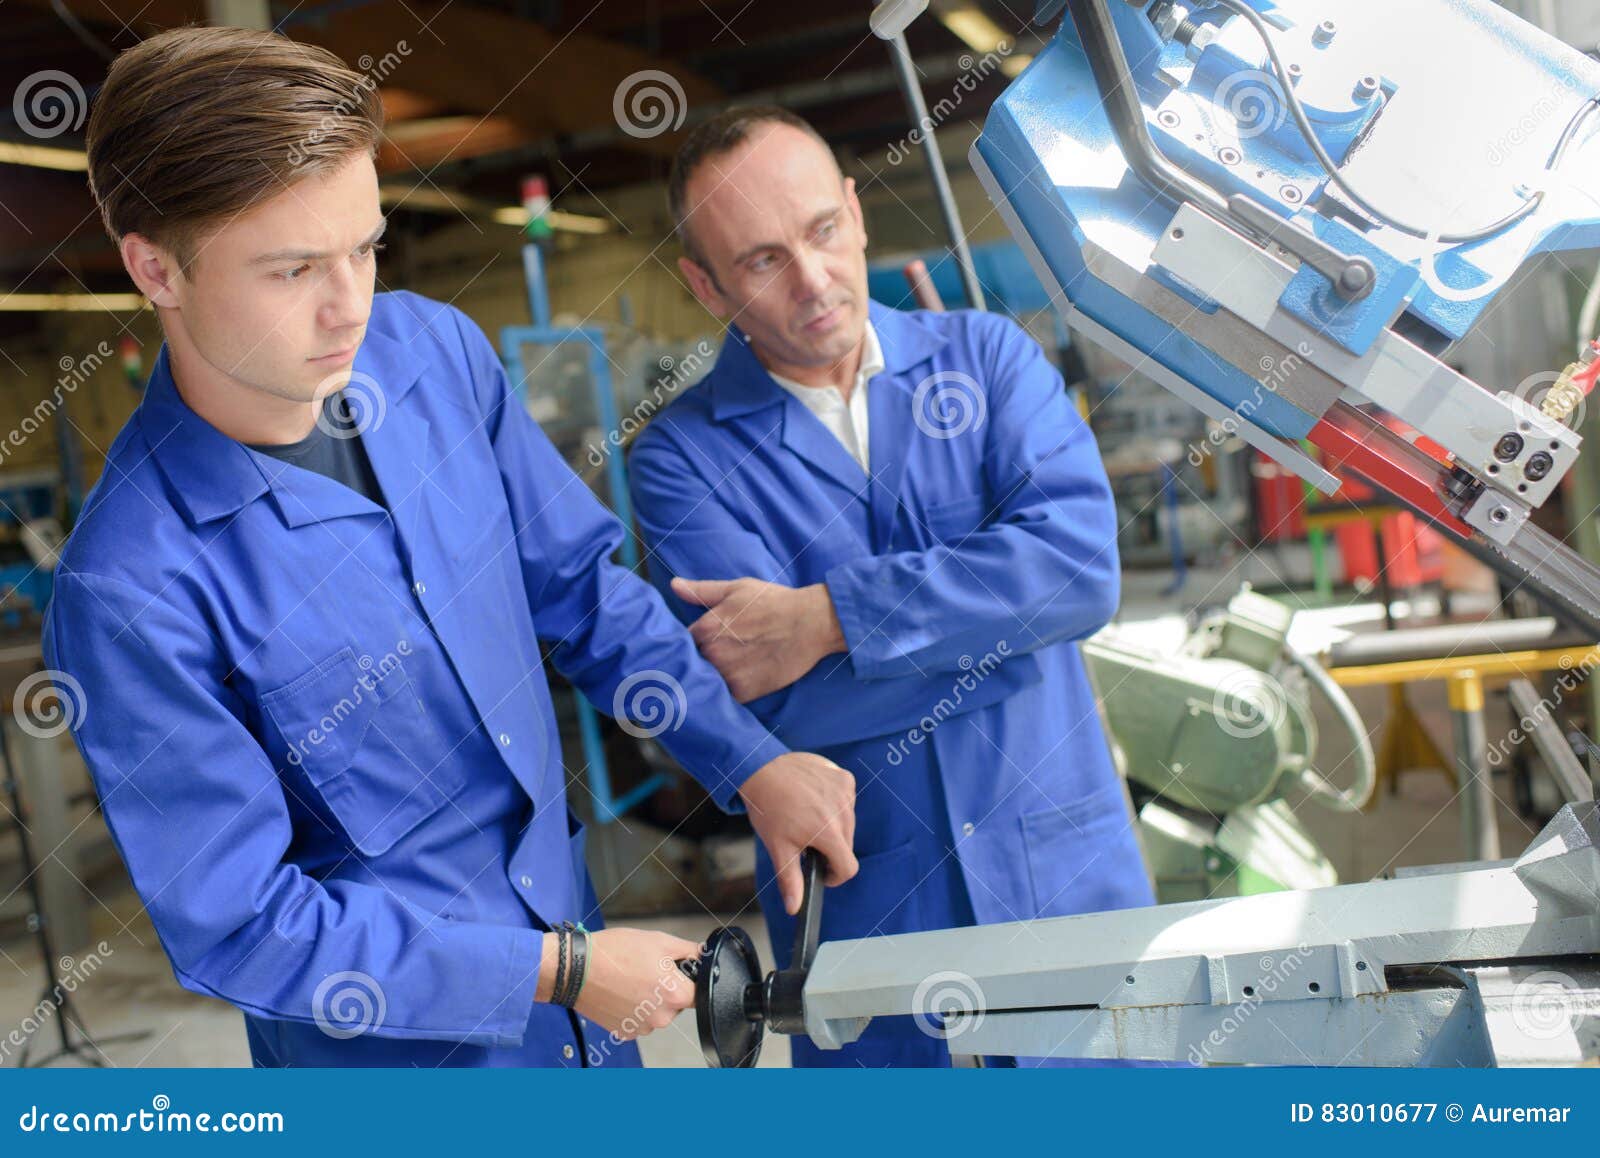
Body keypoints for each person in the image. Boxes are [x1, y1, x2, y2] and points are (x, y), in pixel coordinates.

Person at [42, 30, 857, 1069]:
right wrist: (553, 968)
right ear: (155, 267)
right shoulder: (132, 585)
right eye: (292, 268)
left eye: (365, 247)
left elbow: (579, 594)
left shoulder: (431, 357)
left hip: (587, 1031)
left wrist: (749, 761)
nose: (351, 306)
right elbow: (239, 922)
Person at [628, 107, 1154, 1068]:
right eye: (761, 261)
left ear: (859, 214)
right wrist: (1003, 632)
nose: (814, 279)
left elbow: (1079, 571)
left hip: (1062, 876)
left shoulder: (987, 361)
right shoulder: (681, 458)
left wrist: (828, 616)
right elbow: (766, 686)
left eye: (823, 231)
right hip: (871, 914)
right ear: (704, 285)